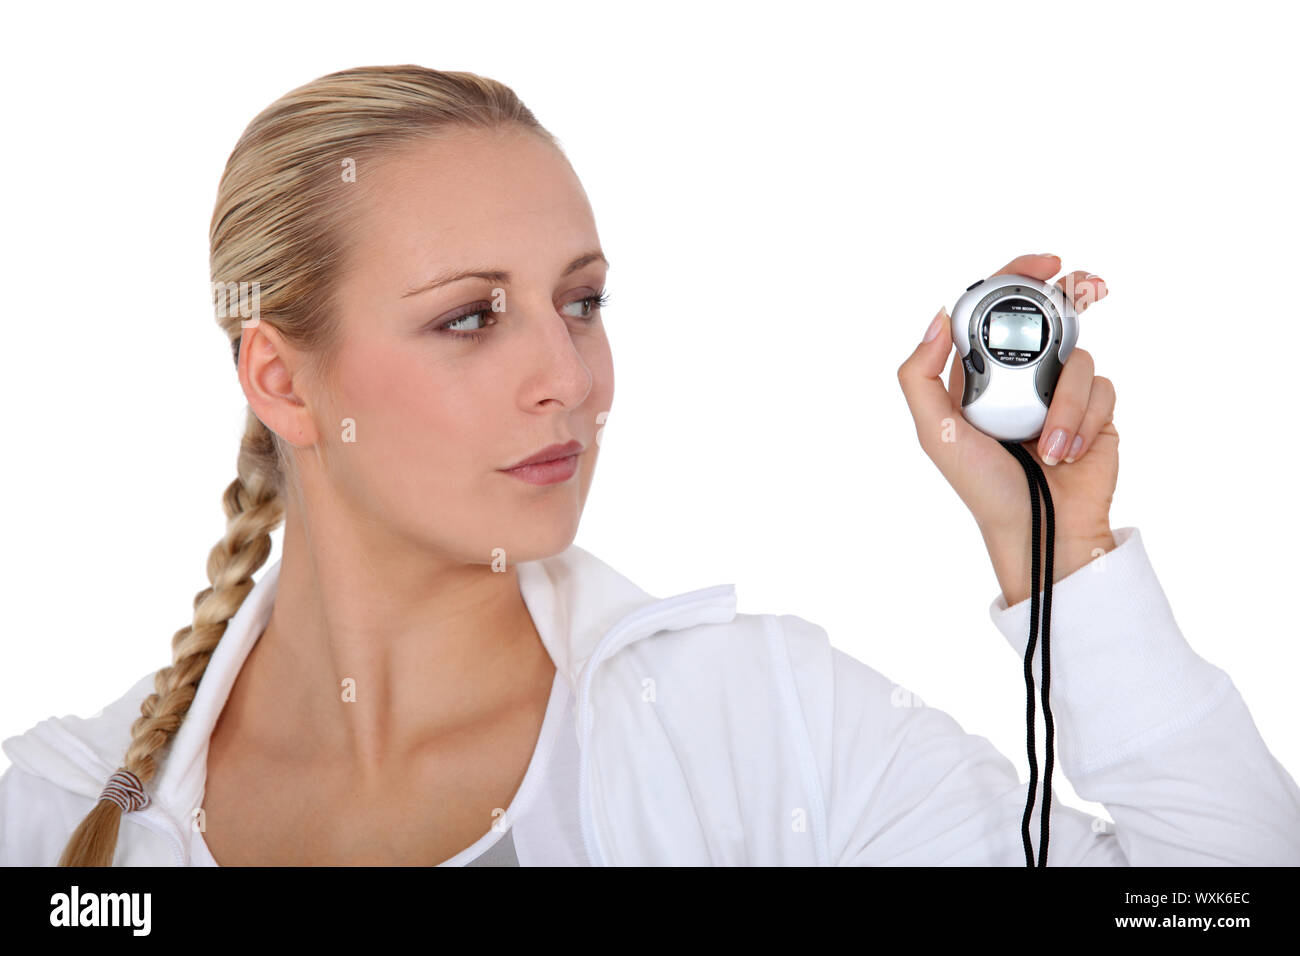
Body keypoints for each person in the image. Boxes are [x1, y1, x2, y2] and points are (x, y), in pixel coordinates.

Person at [1, 65, 1296, 867]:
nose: (567, 375)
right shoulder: (58, 813)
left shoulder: (766, 731)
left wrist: (1060, 558)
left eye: (582, 300)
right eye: (471, 315)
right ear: (283, 379)